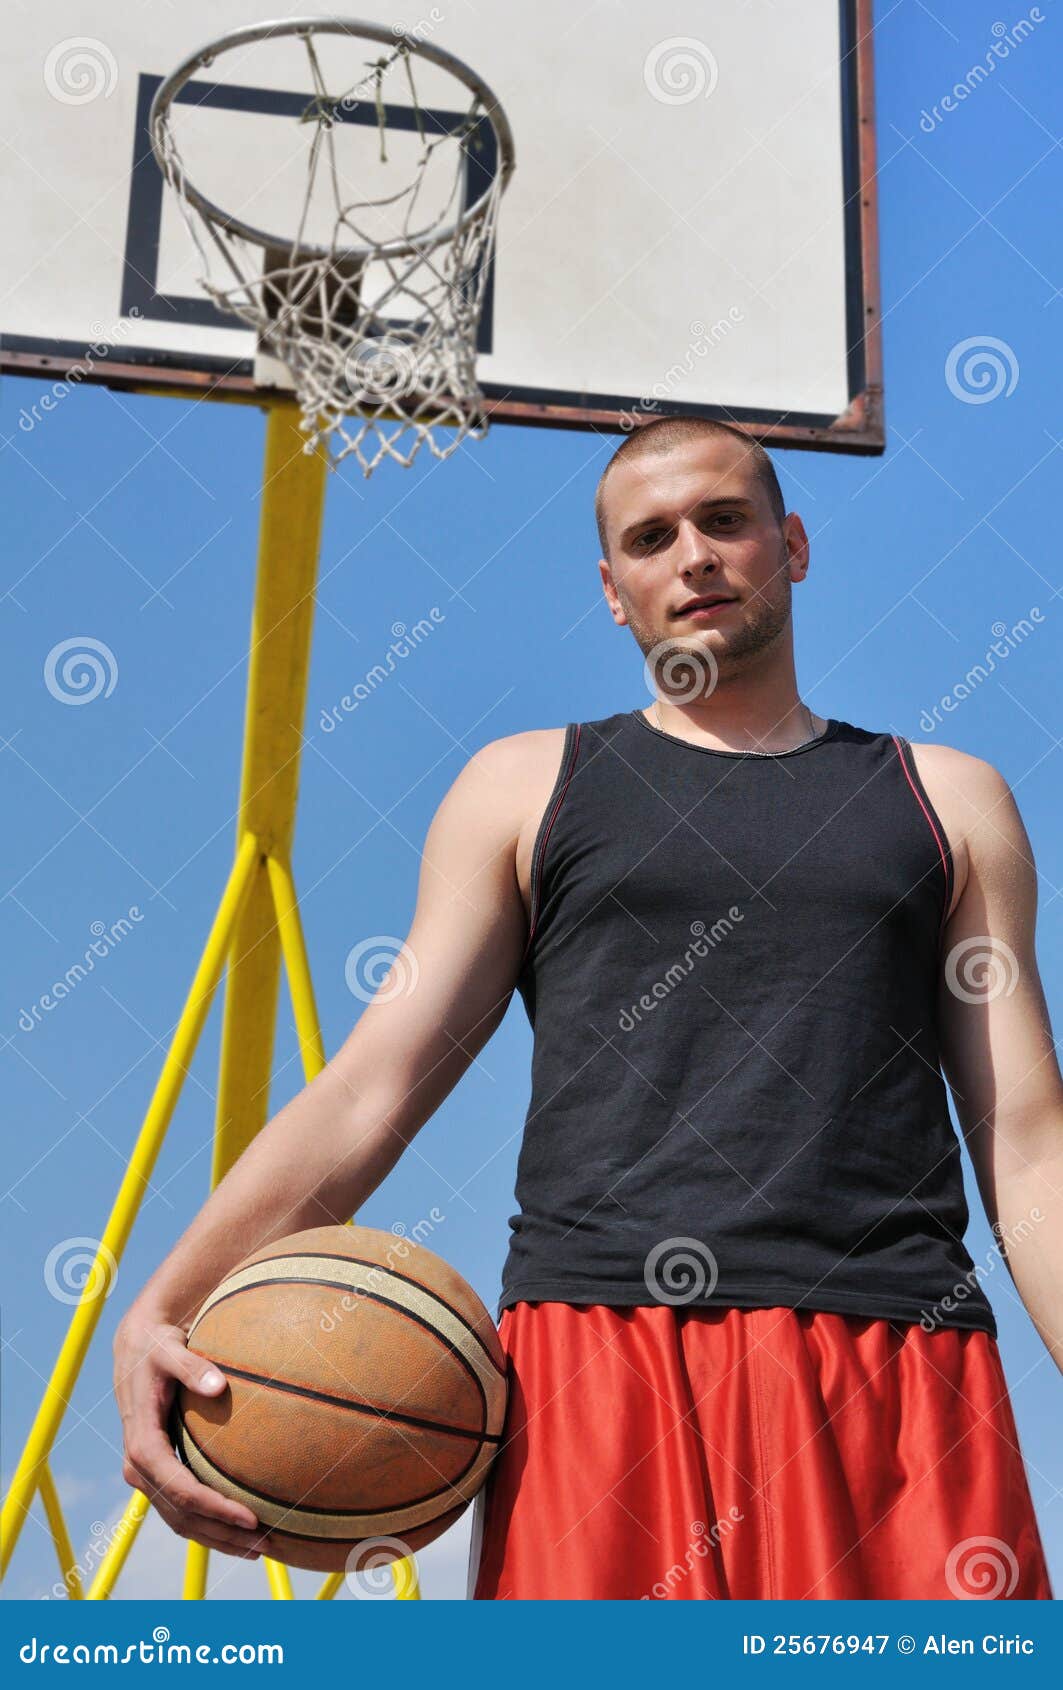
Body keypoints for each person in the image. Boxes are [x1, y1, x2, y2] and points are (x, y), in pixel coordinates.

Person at [114, 416, 1058, 1599]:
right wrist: (164, 1303)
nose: (694, 556)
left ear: (793, 542)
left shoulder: (948, 799)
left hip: (892, 1358)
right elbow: (373, 1085)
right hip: (596, 1359)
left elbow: (1025, 1143)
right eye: (651, 538)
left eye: (725, 520)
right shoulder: (526, 786)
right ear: (613, 591)